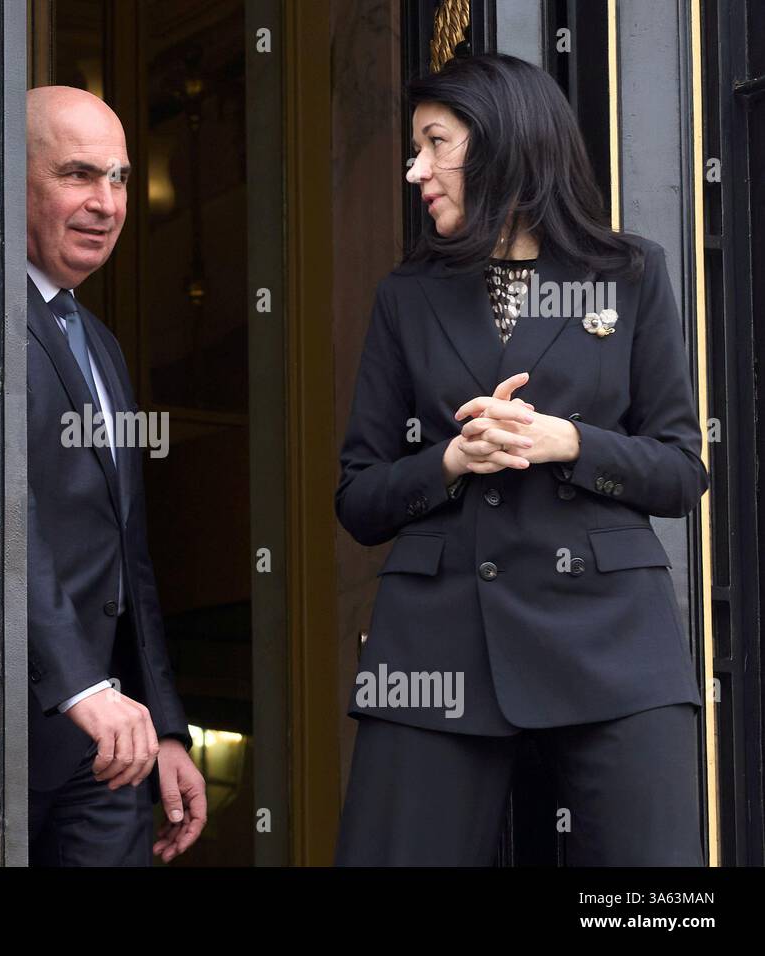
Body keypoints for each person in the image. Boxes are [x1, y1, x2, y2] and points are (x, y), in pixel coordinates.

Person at [333, 53, 709, 866]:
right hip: (436, 647)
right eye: (414, 149)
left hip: (613, 642)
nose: (415, 170)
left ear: (502, 141)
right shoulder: (406, 295)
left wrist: (566, 441)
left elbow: (681, 471)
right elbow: (359, 498)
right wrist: (451, 459)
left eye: (434, 143)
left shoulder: (631, 273)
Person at [25, 86, 207, 865]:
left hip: (108, 749)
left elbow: (128, 554)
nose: (106, 203)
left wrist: (164, 726)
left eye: (120, 178)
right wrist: (78, 687)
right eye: (78, 175)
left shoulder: (101, 343)